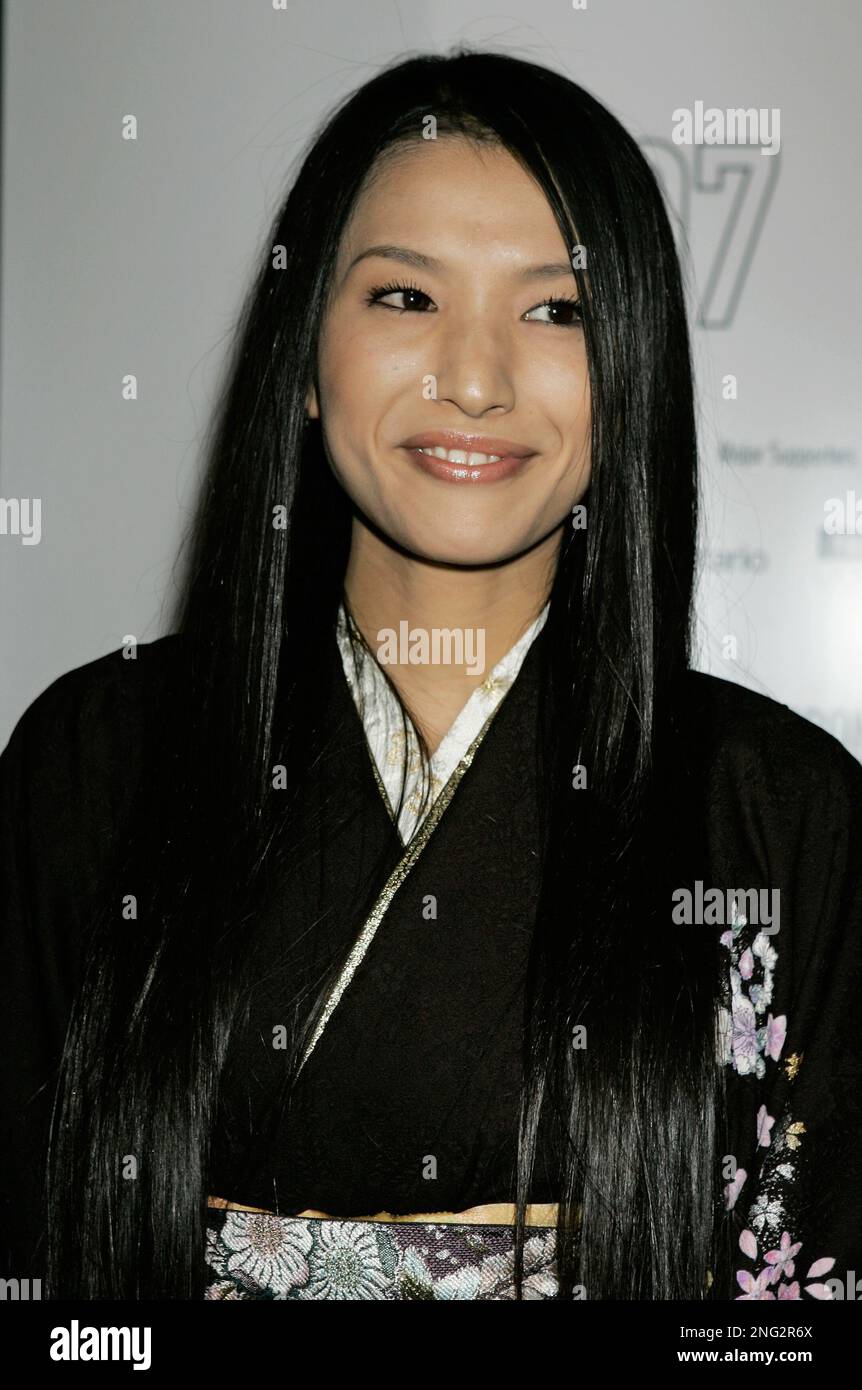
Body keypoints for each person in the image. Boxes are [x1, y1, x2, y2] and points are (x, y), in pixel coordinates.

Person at [1, 48, 860, 1302]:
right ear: (302, 358)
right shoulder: (97, 760)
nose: (472, 377)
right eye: (404, 298)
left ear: (630, 383)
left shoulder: (778, 812)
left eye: (555, 310)